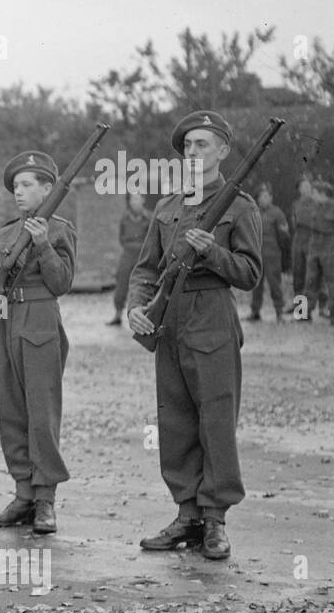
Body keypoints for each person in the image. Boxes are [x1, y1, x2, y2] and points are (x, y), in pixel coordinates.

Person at [128, 111, 262, 562]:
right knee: (176, 419)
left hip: (212, 316)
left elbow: (249, 273)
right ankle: (187, 514)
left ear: (223, 150)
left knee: (216, 419)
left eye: (203, 144)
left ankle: (215, 520)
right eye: (187, 146)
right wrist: (135, 308)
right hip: (170, 321)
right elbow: (145, 270)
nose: (193, 153)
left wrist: (215, 253)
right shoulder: (167, 208)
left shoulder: (239, 206)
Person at [0, 151, 76, 535]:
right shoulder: (4, 234)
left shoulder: (59, 230)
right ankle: (23, 493)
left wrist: (44, 245)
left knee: (41, 413)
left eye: (27, 185)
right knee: (12, 413)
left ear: (48, 189)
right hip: (5, 323)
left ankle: (45, 498)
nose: (19, 192)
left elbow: (62, 283)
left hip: (41, 321)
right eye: (15, 186)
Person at [303, 180, 334, 324]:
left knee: (333, 281)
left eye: (314, 192)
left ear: (323, 194)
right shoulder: (312, 206)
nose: (312, 195)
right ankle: (303, 314)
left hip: (331, 246)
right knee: (309, 281)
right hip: (314, 245)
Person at [108, 191, 151, 325]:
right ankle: (118, 314)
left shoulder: (149, 218)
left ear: (143, 200)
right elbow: (121, 237)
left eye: (137, 199)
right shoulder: (125, 218)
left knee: (145, 282)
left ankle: (147, 315)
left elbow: (152, 238)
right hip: (127, 254)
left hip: (143, 255)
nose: (135, 202)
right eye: (133, 199)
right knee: (121, 282)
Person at [248, 185, 289, 322]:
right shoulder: (253, 212)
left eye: (267, 196)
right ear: (258, 199)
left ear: (271, 197)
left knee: (275, 283)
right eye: (261, 196)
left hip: (272, 253)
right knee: (256, 283)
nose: (264, 199)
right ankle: (255, 311)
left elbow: (284, 236)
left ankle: (279, 311)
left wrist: (280, 251)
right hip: (257, 253)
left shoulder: (278, 213)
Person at [289, 175, 317, 316]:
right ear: (299, 189)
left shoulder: (316, 204)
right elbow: (293, 223)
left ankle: (310, 309)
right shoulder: (296, 204)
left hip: (311, 240)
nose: (305, 189)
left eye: (307, 186)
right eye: (302, 187)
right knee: (298, 274)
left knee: (310, 275)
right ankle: (300, 309)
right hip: (298, 240)